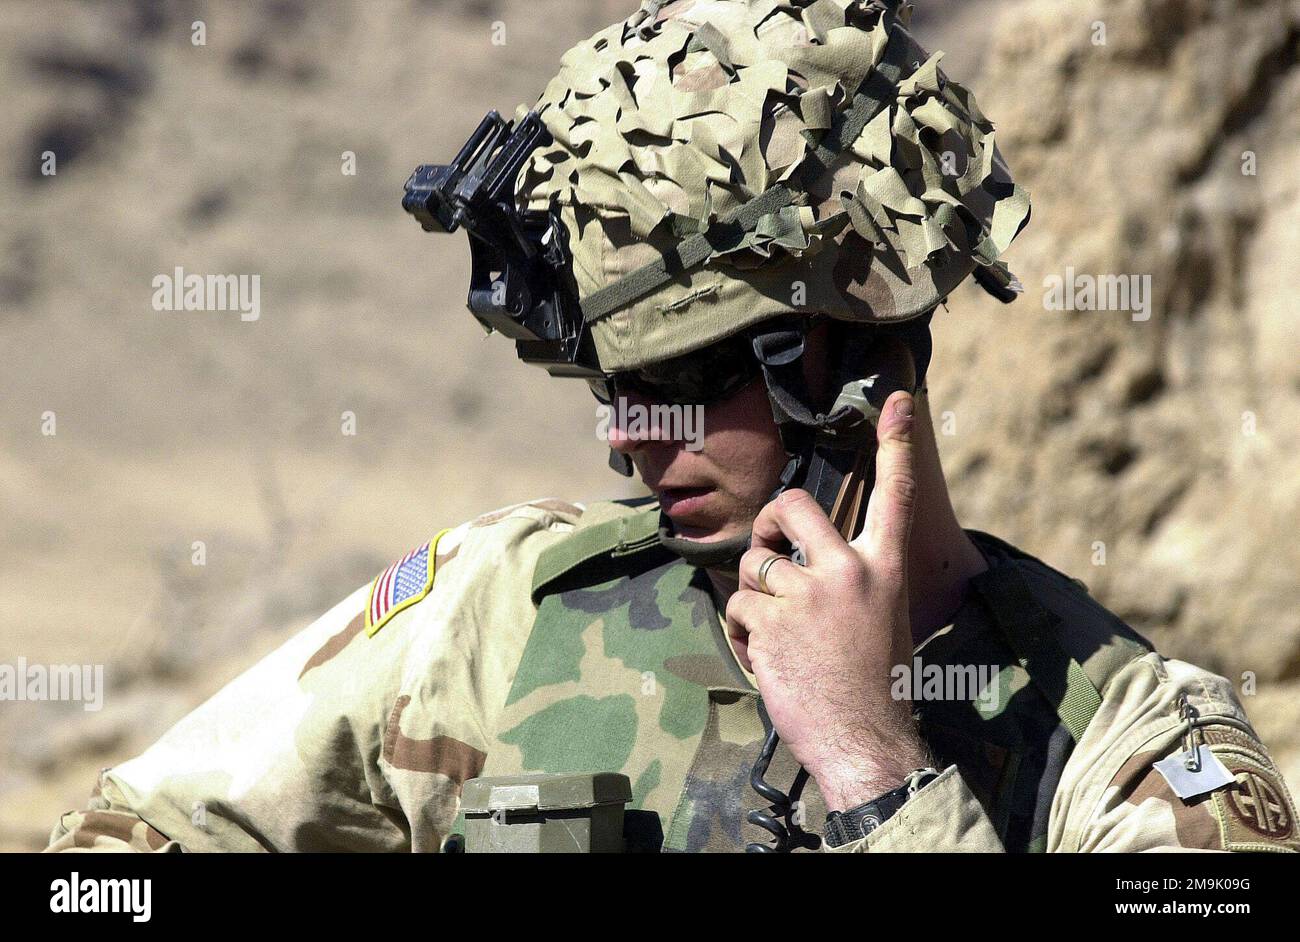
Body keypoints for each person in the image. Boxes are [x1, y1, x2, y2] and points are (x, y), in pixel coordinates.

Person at [46, 0, 1296, 853]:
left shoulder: (1140, 744)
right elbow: (125, 847)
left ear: (856, 366)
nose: (632, 439)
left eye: (691, 385)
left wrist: (873, 767)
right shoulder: (500, 608)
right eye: (612, 387)